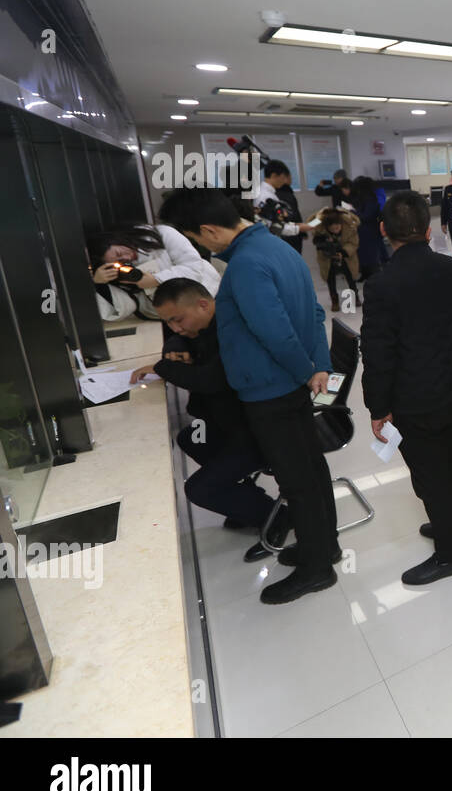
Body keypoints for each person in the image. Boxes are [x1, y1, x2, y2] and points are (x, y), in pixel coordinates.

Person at [157, 188, 341, 605]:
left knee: (298, 482)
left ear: (208, 229)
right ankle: (323, 547)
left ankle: (317, 569)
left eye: (199, 240)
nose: (203, 248)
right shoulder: (278, 248)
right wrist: (318, 364)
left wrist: (307, 371)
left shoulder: (244, 265)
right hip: (285, 386)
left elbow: (274, 331)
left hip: (272, 392)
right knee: (310, 472)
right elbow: (314, 313)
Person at [361, 191, 452, 586]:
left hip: (412, 397)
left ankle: (451, 553)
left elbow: (378, 354)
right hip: (451, 385)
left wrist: (378, 408)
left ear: (383, 231)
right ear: (428, 230)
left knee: (430, 475)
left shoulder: (381, 285)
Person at [129, 279, 283, 553]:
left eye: (178, 320)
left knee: (199, 490)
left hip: (262, 428)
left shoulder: (231, 330)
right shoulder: (207, 325)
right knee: (190, 438)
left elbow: (211, 380)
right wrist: (173, 349)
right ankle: (248, 498)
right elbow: (194, 351)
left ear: (203, 304)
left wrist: (164, 366)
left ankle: (277, 518)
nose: (175, 328)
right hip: (232, 422)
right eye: (169, 324)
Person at [89, 222, 221, 321]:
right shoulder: (124, 271)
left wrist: (156, 279)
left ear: (118, 239)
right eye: (120, 261)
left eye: (120, 252)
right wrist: (99, 283)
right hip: (173, 313)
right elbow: (122, 308)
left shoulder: (162, 234)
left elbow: (193, 267)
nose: (126, 258)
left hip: (209, 291)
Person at [309, 207, 360, 312]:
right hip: (327, 259)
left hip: (347, 258)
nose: (335, 228)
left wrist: (343, 253)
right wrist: (321, 214)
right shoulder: (320, 230)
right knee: (330, 279)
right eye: (332, 227)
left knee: (351, 278)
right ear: (327, 227)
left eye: (338, 225)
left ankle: (356, 297)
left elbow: (353, 243)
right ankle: (334, 300)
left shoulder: (349, 228)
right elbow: (311, 225)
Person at [252, 160, 310, 246]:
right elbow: (272, 226)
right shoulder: (266, 196)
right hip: (268, 242)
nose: (285, 181)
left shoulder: (267, 193)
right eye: (283, 177)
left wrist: (295, 225)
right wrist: (298, 228)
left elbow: (276, 220)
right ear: (274, 175)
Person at [350, 176, 386, 279]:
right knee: (364, 255)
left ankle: (374, 277)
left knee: (371, 257)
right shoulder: (366, 197)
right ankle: (366, 274)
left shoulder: (371, 199)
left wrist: (353, 212)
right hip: (365, 231)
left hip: (370, 231)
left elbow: (367, 216)